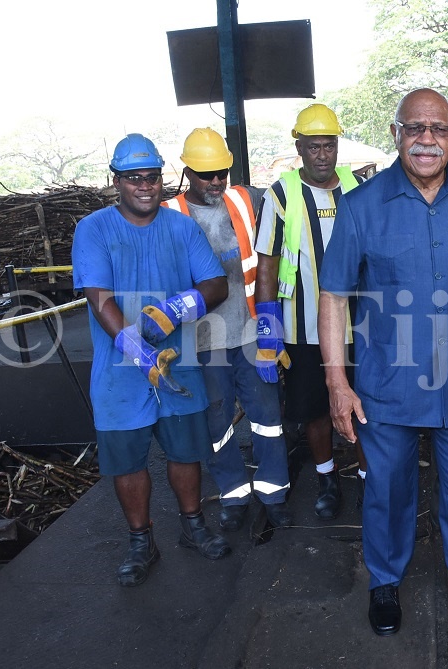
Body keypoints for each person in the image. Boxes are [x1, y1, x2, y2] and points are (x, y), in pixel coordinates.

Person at [319, 88, 448, 636]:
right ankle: (384, 581)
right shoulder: (362, 207)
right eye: (415, 128)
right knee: (387, 488)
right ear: (397, 134)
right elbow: (334, 295)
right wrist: (338, 383)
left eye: (438, 129)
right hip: (389, 385)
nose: (426, 139)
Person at [71, 133, 232, 587]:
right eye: (133, 178)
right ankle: (141, 539)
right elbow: (98, 296)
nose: (145, 185)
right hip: (119, 373)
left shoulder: (181, 227)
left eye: (152, 176)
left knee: (185, 452)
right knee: (127, 461)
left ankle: (192, 525)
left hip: (177, 362)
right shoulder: (94, 229)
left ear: (163, 177)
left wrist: (175, 310)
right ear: (116, 181)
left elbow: (216, 285)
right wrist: (136, 348)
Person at [163, 128, 292, 530]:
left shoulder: (246, 198)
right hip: (204, 342)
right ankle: (234, 494)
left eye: (222, 172)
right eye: (207, 174)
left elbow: (274, 256)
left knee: (268, 416)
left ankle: (274, 491)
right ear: (187, 172)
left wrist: (272, 327)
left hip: (252, 332)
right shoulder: (170, 214)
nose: (216, 181)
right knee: (217, 422)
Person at [255, 104, 367, 520]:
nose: (322, 154)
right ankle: (326, 479)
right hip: (301, 329)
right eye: (313, 146)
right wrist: (267, 332)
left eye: (329, 145)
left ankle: (367, 481)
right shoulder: (281, 193)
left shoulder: (358, 188)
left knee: (363, 407)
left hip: (357, 326)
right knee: (314, 410)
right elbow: (267, 262)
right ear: (299, 148)